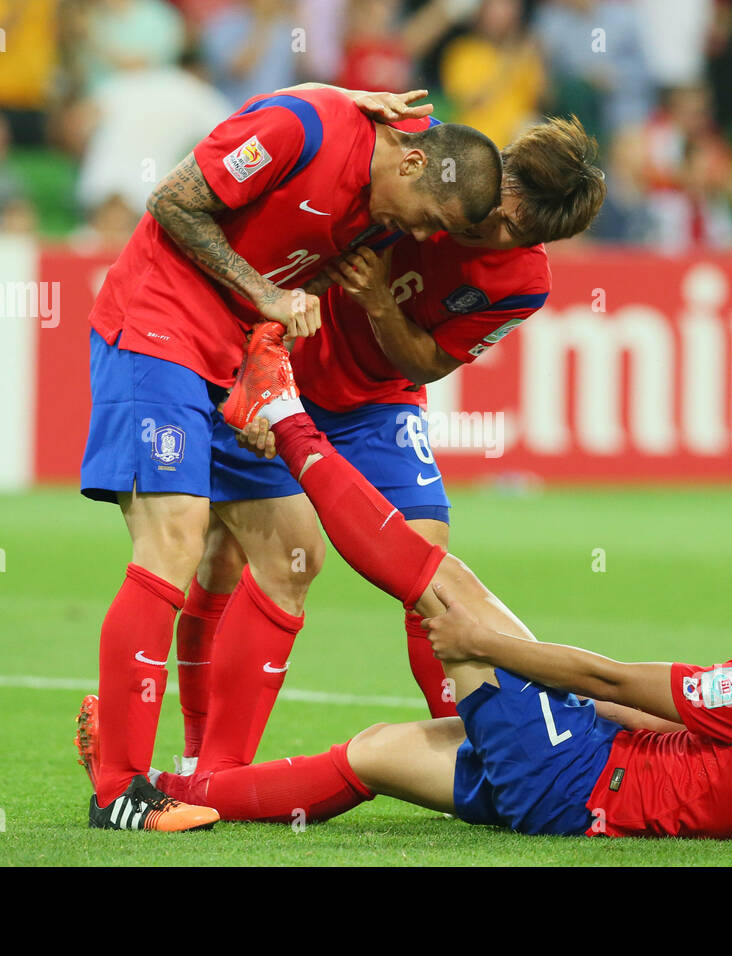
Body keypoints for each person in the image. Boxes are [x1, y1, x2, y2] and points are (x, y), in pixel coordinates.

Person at [82, 320, 732, 838]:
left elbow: (609, 676)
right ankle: (170, 790)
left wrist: (488, 648)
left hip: (574, 778)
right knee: (372, 755)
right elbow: (674, 742)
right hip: (578, 788)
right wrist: (535, 695)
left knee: (442, 587)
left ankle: (283, 412)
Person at [74, 83, 501, 831]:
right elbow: (172, 203)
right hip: (158, 330)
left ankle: (212, 776)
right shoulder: (299, 127)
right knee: (174, 540)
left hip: (234, 360)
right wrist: (264, 295)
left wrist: (264, 363)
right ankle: (119, 791)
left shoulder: (395, 180)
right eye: (431, 220)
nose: (427, 238)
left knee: (296, 554)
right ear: (409, 164)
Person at [167, 113, 606, 776]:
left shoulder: (524, 282)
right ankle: (209, 764)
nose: (504, 233)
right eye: (509, 216)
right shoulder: (422, 165)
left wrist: (378, 301)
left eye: (526, 233)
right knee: (238, 560)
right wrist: (255, 358)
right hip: (274, 368)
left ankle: (484, 754)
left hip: (378, 403)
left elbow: (429, 363)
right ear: (499, 168)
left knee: (428, 571)